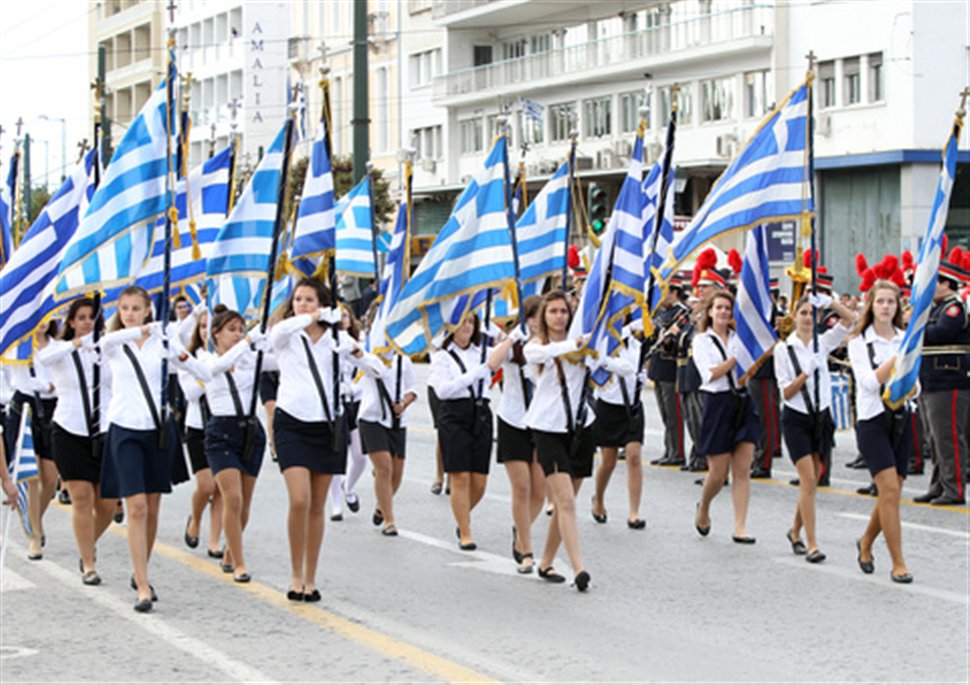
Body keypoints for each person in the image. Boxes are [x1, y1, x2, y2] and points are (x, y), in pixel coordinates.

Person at [99, 285, 211, 612]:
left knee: (151, 506)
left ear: (149, 309)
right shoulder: (115, 345)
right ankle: (143, 586)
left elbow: (202, 373)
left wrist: (175, 348)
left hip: (156, 431)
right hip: (124, 430)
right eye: (125, 309)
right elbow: (105, 342)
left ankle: (141, 569)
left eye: (136, 308)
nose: (130, 314)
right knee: (135, 506)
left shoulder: (161, 343)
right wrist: (140, 330)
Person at [269, 278, 361, 602]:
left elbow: (369, 362)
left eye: (309, 300)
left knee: (317, 506)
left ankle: (310, 577)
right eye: (298, 300)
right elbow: (275, 334)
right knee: (299, 500)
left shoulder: (335, 337)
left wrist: (352, 343)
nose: (302, 305)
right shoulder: (286, 336)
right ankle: (295, 574)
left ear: (322, 302)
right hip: (291, 423)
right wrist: (313, 316)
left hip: (325, 426)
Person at [35, 298, 117, 584]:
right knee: (82, 497)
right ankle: (88, 562)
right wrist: (77, 344)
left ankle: (87, 543)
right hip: (69, 429)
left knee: (107, 504)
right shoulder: (60, 350)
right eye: (81, 317)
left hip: (104, 429)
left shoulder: (107, 348)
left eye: (92, 317)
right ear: (71, 321)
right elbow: (43, 359)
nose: (86, 322)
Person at [774, 293, 856, 563]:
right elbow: (786, 392)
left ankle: (795, 531)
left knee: (813, 480)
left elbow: (851, 319)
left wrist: (830, 302)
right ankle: (812, 543)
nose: (808, 318)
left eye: (812, 313)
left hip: (822, 417)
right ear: (794, 317)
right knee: (808, 480)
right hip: (796, 418)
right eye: (803, 313)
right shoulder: (784, 349)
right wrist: (805, 374)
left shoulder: (823, 343)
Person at [524, 290, 593, 592]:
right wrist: (572, 346)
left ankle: (547, 560)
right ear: (544, 316)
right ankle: (579, 568)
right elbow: (536, 355)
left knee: (568, 503)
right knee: (564, 501)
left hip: (580, 427)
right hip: (548, 427)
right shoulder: (538, 346)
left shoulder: (581, 344)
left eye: (563, 311)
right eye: (552, 311)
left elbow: (624, 367)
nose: (559, 317)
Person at [847, 279, 914, 583]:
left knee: (893, 491)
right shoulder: (859, 342)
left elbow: (916, 386)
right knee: (887, 489)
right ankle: (898, 562)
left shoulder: (906, 338)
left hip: (902, 417)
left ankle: (865, 542)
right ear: (871, 305)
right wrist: (897, 360)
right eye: (881, 301)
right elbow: (869, 383)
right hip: (872, 420)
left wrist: (908, 366)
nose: (886, 307)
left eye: (891, 301)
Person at [201, 306, 270, 583]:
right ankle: (240, 563)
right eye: (231, 330)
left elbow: (280, 361)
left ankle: (232, 550)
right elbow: (216, 368)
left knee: (244, 505)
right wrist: (247, 343)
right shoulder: (204, 359)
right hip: (222, 433)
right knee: (233, 498)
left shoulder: (249, 360)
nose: (237, 335)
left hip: (251, 431)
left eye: (241, 329)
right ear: (215, 334)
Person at [429, 311, 503, 551]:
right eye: (462, 321)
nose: (467, 326)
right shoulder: (442, 356)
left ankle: (462, 516)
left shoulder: (482, 352)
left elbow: (506, 354)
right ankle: (466, 532)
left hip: (481, 413)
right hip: (454, 414)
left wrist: (511, 337)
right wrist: (475, 374)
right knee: (460, 476)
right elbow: (443, 390)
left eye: (471, 321)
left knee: (479, 482)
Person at [692, 290, 759, 543]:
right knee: (718, 474)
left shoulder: (738, 339)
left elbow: (746, 372)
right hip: (717, 403)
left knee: (742, 469)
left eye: (727, 308)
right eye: (718, 307)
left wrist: (749, 360)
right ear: (709, 312)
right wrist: (736, 360)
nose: (723, 312)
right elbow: (710, 374)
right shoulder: (702, 341)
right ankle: (704, 507)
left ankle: (740, 526)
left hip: (741, 401)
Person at [489, 296, 545, 572]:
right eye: (531, 317)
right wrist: (511, 339)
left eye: (539, 316)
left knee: (540, 492)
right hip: (513, 419)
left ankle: (519, 528)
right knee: (521, 488)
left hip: (540, 422)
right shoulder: (517, 345)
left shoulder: (547, 346)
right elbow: (492, 362)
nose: (535, 322)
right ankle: (526, 549)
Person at [913, 248, 970, 505]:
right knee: (934, 437)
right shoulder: (936, 308)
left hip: (949, 382)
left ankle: (954, 489)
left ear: (946, 283)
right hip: (931, 381)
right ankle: (938, 484)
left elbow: (941, 333)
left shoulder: (954, 307)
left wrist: (916, 324)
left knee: (948, 437)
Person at [7, 321, 59, 561]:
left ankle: (34, 520)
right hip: (25, 408)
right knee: (33, 474)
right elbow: (21, 382)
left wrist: (53, 388)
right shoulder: (20, 347)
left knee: (51, 476)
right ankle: (35, 536)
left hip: (52, 410)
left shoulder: (57, 346)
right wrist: (47, 385)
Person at [356, 346, 418, 536]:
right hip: (372, 418)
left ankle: (382, 505)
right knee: (384, 468)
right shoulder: (370, 358)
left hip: (397, 421)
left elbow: (413, 389)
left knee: (397, 474)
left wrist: (404, 404)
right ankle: (389, 521)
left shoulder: (403, 360)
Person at [590, 318, 646, 530]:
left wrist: (640, 375)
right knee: (608, 461)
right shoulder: (605, 341)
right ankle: (599, 499)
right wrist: (620, 366)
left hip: (631, 407)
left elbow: (637, 370)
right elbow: (599, 362)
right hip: (609, 405)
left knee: (633, 457)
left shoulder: (636, 345)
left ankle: (634, 513)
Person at [180, 309, 224, 559]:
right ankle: (195, 519)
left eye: (212, 327)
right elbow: (190, 393)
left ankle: (215, 539)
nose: (207, 331)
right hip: (198, 426)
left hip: (222, 424)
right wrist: (209, 373)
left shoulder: (229, 357)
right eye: (204, 326)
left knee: (221, 489)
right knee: (206, 485)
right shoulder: (190, 358)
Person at [328, 305, 368, 522]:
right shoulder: (331, 343)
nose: (342, 318)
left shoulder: (358, 343)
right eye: (339, 315)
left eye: (345, 315)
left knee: (360, 456)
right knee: (338, 454)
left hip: (358, 403)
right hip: (338, 403)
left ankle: (349, 487)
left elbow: (367, 368)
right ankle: (335, 505)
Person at [648, 287, 690, 466]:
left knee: (674, 414)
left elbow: (681, 336)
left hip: (670, 369)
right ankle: (669, 450)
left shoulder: (682, 313)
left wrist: (671, 337)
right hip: (658, 368)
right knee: (665, 413)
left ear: (674, 292)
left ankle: (678, 452)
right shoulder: (659, 312)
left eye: (664, 291)